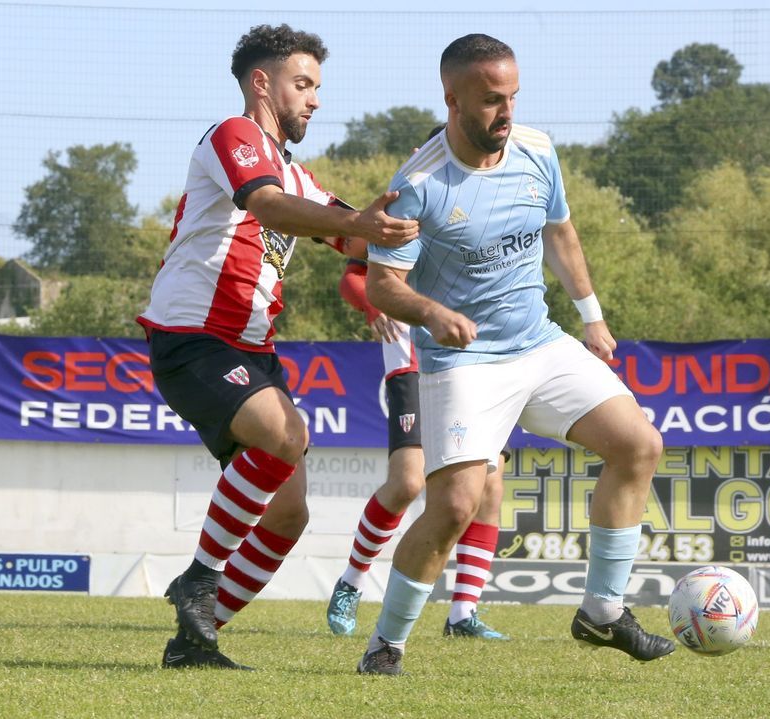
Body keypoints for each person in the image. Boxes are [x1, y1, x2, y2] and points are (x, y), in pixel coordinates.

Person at [356, 33, 673, 676]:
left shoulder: (536, 149)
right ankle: (386, 644)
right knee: (453, 506)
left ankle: (603, 612)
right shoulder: (419, 183)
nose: (506, 112)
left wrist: (592, 317)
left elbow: (559, 231)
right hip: (465, 364)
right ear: (451, 98)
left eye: (513, 97)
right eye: (491, 100)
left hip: (541, 343)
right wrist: (432, 312)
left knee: (639, 445)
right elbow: (380, 282)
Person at [136, 23, 418, 670]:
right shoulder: (232, 136)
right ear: (261, 83)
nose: (315, 99)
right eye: (304, 84)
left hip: (250, 349)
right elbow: (268, 206)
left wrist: (424, 229)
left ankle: (194, 639)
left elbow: (353, 238)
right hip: (194, 337)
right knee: (285, 433)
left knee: (288, 515)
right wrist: (356, 224)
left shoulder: (297, 174)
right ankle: (200, 580)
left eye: (317, 86)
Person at [318, 147, 511, 640]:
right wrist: (372, 305)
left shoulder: (488, 217)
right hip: (410, 364)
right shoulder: (406, 210)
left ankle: (463, 613)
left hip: (472, 368)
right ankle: (351, 583)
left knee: (490, 481)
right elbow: (352, 276)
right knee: (407, 483)